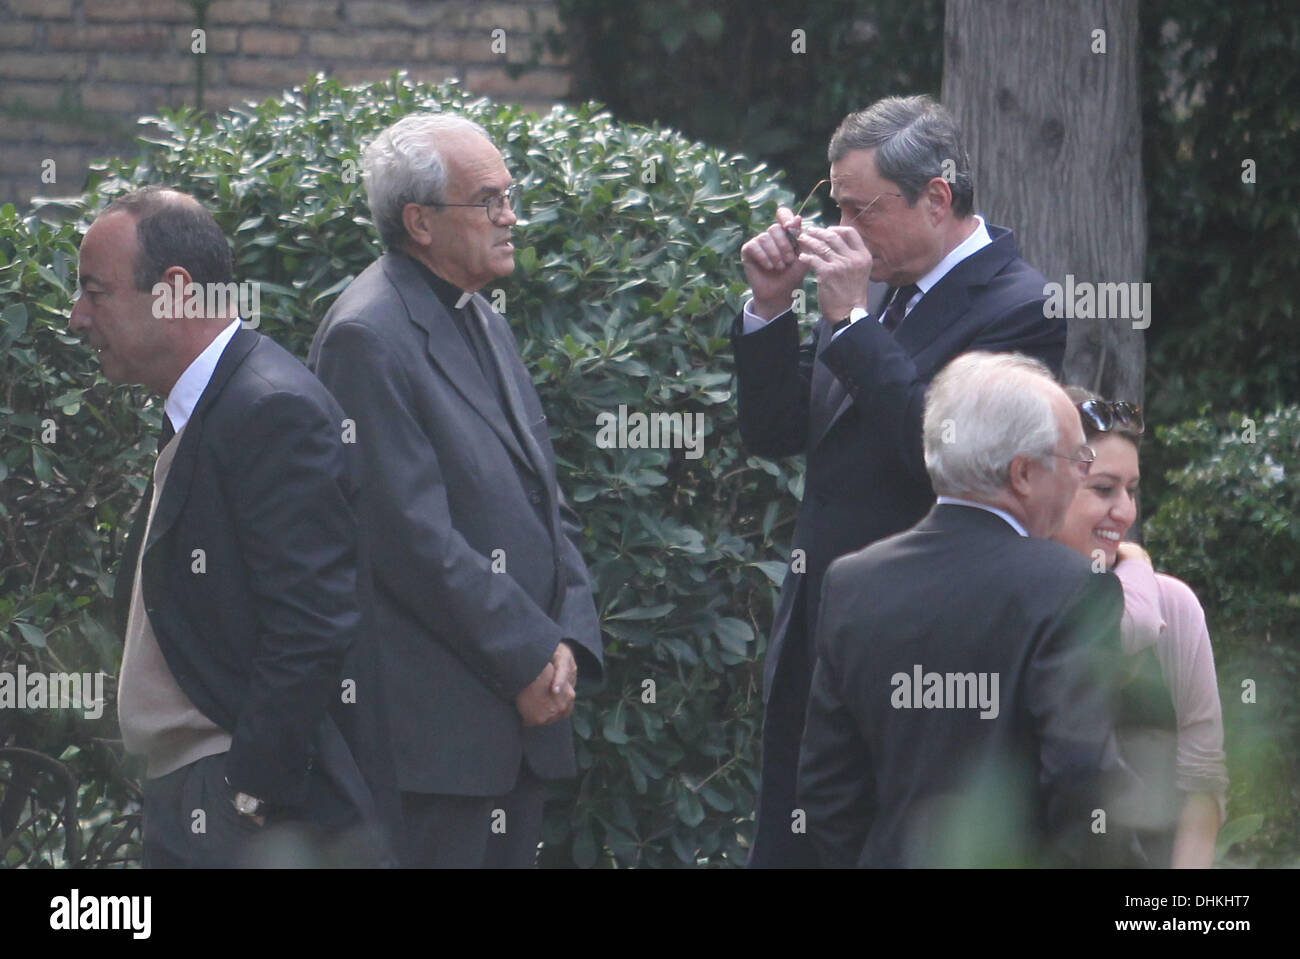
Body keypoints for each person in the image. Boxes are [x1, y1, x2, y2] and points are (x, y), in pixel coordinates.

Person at [733, 94, 1065, 866]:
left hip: (926, 645)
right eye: (833, 204)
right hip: (821, 618)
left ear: (937, 197)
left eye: (861, 208)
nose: (841, 228)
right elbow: (777, 433)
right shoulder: (873, 284)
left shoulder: (1021, 304)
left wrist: (850, 326)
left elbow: (954, 455)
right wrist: (769, 307)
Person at [309, 113, 604, 868]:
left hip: (518, 719)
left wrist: (567, 637)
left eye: (511, 194)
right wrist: (528, 657)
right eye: (489, 200)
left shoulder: (482, 315)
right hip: (438, 742)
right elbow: (411, 538)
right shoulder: (366, 336)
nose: (512, 216)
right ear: (420, 222)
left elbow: (546, 496)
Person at [74, 186, 398, 867]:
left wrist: (248, 788)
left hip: (231, 805)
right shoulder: (209, 401)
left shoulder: (269, 406)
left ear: (173, 290)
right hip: (192, 791)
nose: (77, 317)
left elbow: (310, 624)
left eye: (94, 292)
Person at [797, 351, 1137, 868]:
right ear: (1022, 473)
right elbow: (1081, 779)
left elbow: (827, 790)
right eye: (1077, 461)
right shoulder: (1072, 588)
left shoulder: (852, 582)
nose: (1078, 479)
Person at [1053, 388, 1228, 868]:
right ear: (1047, 485)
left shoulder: (1173, 604)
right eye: (1104, 489)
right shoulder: (1010, 603)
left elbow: (1203, 777)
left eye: (1131, 490)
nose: (1126, 512)